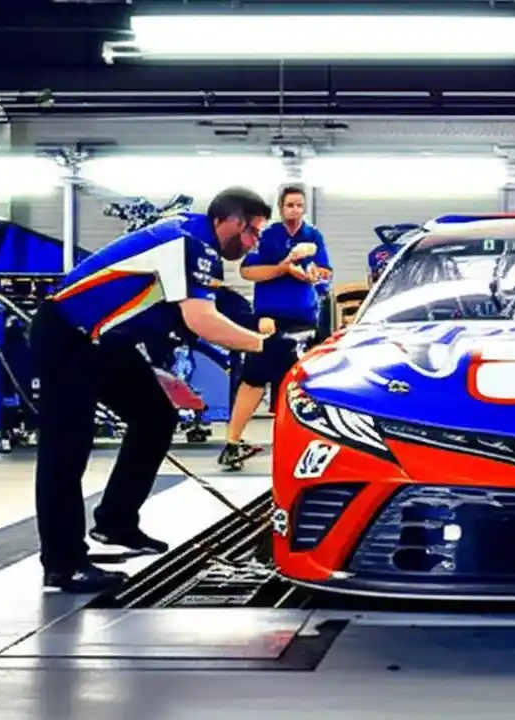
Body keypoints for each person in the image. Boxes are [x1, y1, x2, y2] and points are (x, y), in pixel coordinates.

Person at [31, 187, 273, 592]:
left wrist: (160, 369)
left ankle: (116, 523)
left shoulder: (193, 242)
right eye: (252, 233)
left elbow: (163, 315)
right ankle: (63, 562)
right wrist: (265, 346)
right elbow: (201, 321)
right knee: (65, 449)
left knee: (155, 416)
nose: (253, 243)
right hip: (66, 334)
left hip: (105, 340)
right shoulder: (190, 242)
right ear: (230, 221)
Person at [219, 185, 331, 469]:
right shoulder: (268, 236)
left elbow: (325, 273)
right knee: (254, 379)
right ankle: (232, 443)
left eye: (299, 205)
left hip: (304, 323)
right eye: (290, 205)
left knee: (296, 386)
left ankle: (294, 448)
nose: (295, 210)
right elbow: (247, 271)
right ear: (281, 207)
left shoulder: (313, 236)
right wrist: (282, 268)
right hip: (269, 322)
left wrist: (314, 275)